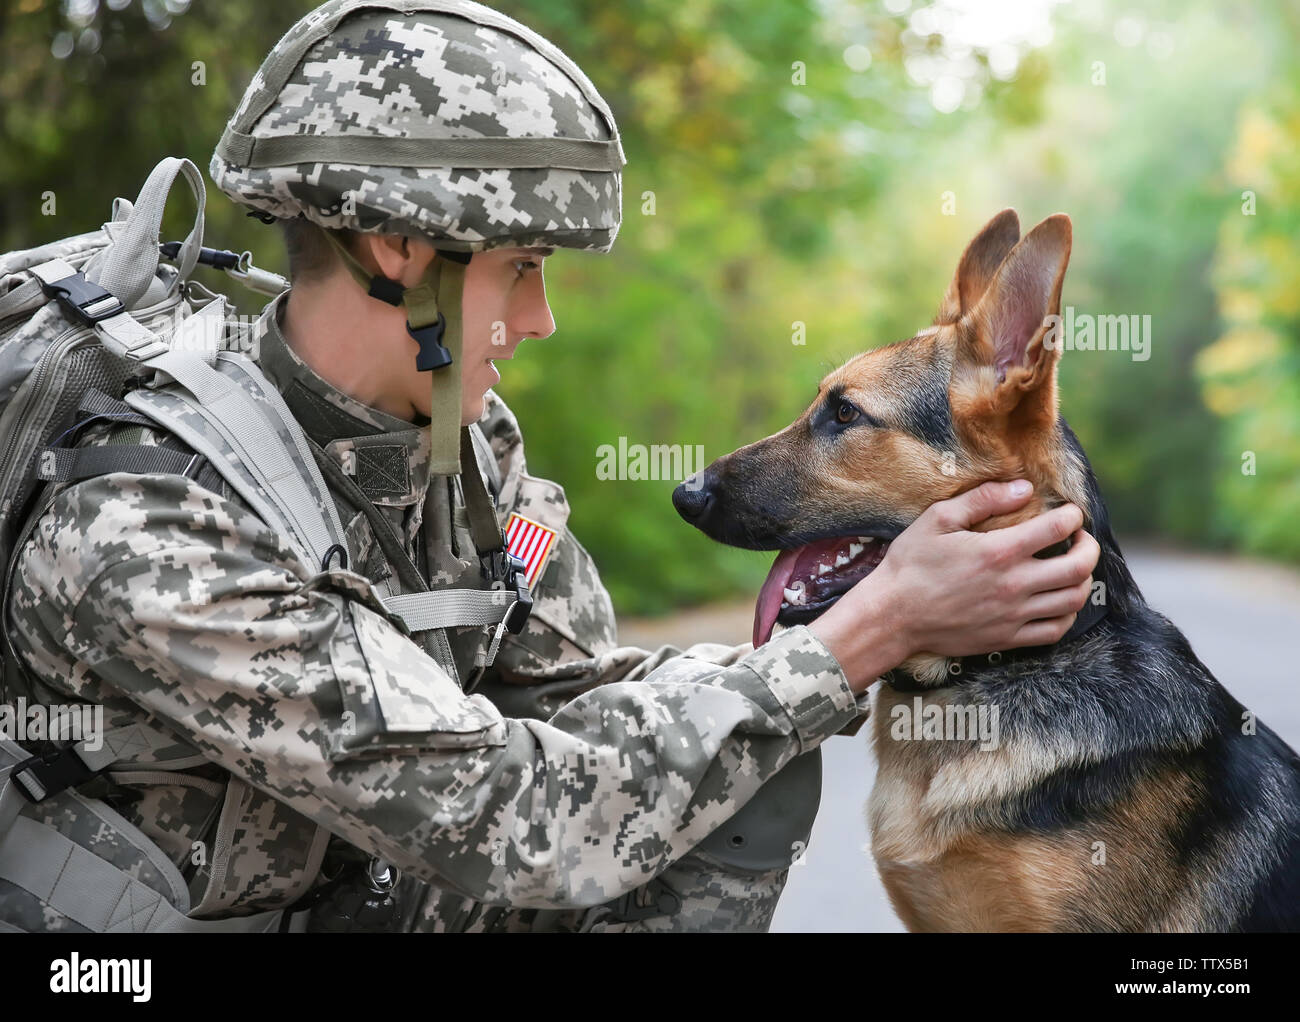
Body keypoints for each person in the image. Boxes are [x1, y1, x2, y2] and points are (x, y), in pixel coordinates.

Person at [0, 0, 1100, 932]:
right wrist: (872, 632)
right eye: (522, 269)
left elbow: (577, 693)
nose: (542, 318)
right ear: (401, 253)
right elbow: (501, 805)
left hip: (353, 889)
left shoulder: (457, 447)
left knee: (739, 758)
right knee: (742, 729)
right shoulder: (147, 518)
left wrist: (895, 606)